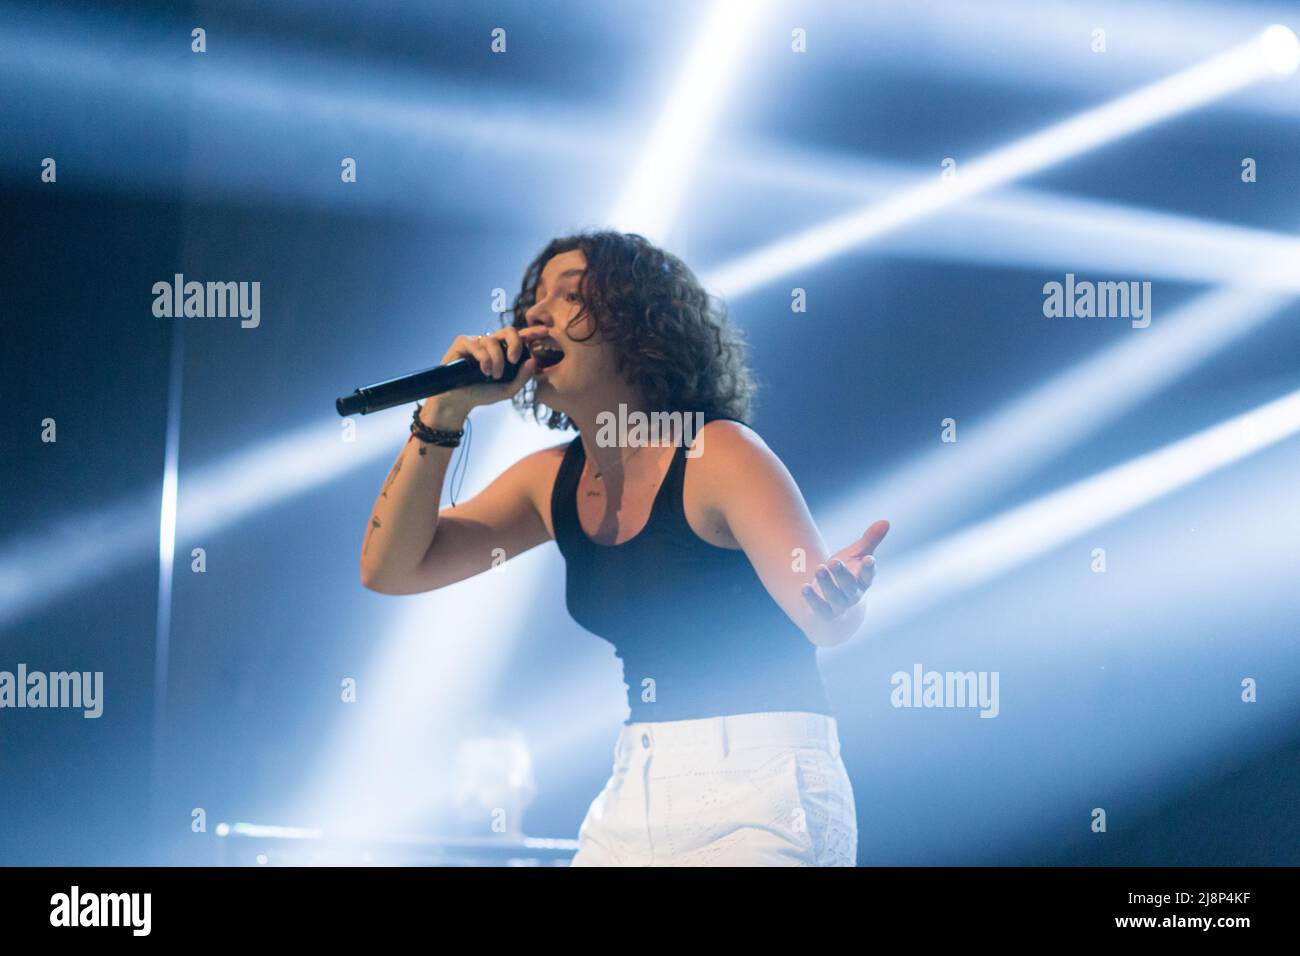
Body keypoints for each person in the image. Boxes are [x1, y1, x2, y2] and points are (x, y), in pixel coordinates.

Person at [360, 230, 888, 866]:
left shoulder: (718, 454)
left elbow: (826, 623)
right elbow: (391, 569)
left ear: (641, 329)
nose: (533, 313)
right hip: (634, 788)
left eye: (572, 295)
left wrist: (838, 599)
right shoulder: (548, 479)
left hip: (760, 787)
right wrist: (443, 412)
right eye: (532, 301)